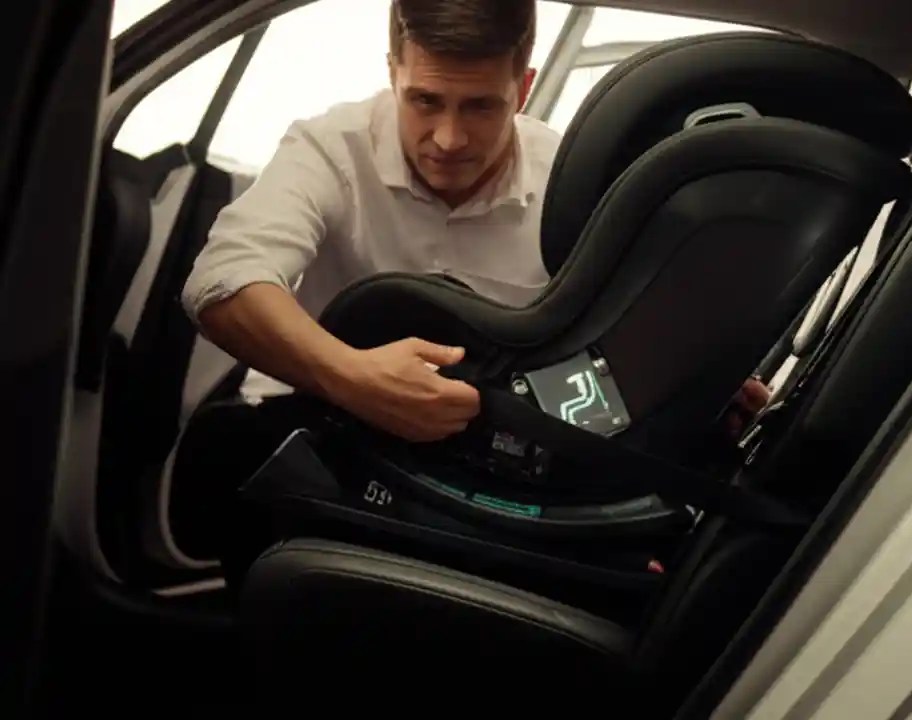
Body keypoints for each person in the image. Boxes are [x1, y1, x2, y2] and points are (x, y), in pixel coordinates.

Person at [172, 0, 771, 578]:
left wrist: (692, 388)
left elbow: (619, 345)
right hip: (317, 428)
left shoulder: (574, 181)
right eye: (425, 101)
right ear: (393, 71)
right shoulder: (329, 148)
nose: (449, 138)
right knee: (225, 447)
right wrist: (354, 379)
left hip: (485, 457)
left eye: (481, 106)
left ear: (524, 88)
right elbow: (221, 280)